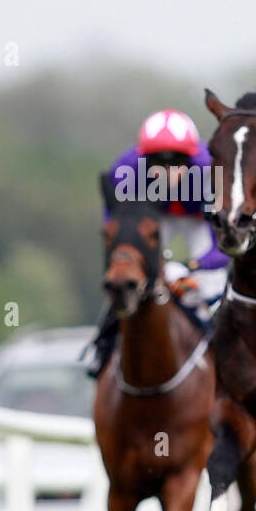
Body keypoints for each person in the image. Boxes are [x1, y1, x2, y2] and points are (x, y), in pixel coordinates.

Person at [87, 108, 225, 377]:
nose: (167, 171)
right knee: (125, 277)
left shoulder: (213, 170)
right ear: (143, 159)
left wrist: (193, 266)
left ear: (192, 158)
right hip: (154, 219)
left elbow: (224, 245)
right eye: (157, 162)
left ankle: (227, 351)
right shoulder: (124, 170)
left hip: (200, 221)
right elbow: (116, 231)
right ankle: (102, 346)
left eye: (176, 162)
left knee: (213, 282)